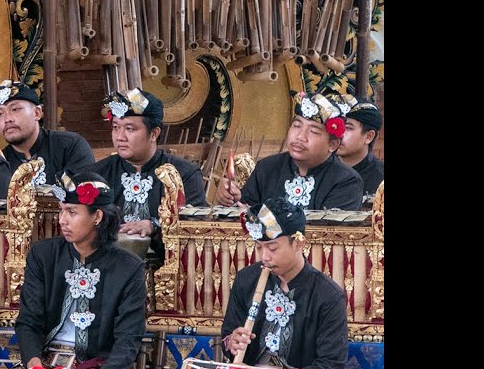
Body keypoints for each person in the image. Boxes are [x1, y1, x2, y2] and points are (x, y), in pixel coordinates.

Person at [0, 171, 156, 369]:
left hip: (96, 367)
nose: (62, 220)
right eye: (62, 211)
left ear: (97, 216)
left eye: (72, 212)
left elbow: (129, 338)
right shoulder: (44, 255)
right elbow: (28, 322)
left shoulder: (128, 267)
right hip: (46, 365)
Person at [159, 197, 349, 369]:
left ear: (298, 243)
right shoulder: (247, 279)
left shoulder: (328, 295)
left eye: (273, 248)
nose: (265, 257)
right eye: (259, 248)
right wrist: (233, 341)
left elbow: (330, 364)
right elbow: (229, 336)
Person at [91, 88, 207, 262]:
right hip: (110, 269)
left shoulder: (185, 174)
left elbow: (196, 230)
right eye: (116, 128)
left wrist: (155, 225)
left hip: (168, 270)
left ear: (154, 133)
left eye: (130, 129)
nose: (120, 137)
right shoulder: (98, 174)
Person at [216, 91, 363, 210]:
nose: (300, 137)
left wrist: (256, 217)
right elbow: (244, 212)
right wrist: (232, 201)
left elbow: (325, 233)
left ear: (333, 144)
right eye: (297, 126)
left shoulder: (346, 181)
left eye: (313, 131)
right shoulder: (267, 168)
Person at [0, 78, 94, 187]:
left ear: (37, 113)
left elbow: (82, 198)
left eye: (15, 109)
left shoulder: (70, 146)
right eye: (0, 113)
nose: (7, 119)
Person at [335, 97, 384, 195]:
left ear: (369, 136)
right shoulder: (319, 168)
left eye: (348, 128)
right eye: (337, 125)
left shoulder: (381, 178)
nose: (339, 133)